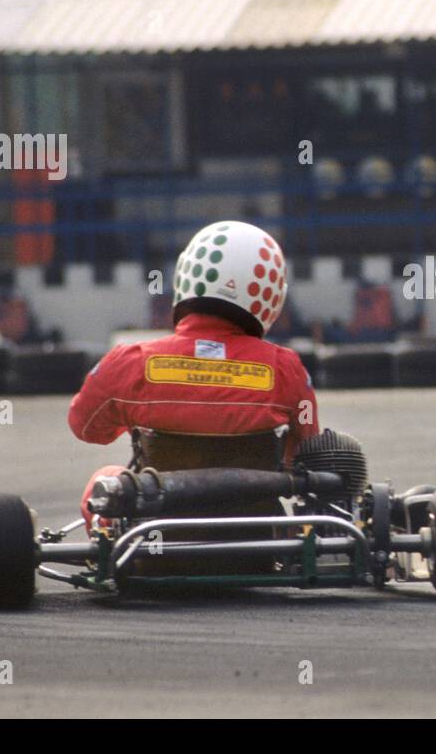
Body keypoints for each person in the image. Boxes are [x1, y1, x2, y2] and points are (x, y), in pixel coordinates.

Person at [69, 221, 318, 530]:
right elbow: (307, 459)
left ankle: (115, 552)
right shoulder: (286, 369)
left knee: (104, 478)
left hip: (155, 543)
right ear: (270, 295)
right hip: (254, 543)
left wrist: (151, 411)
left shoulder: (130, 362)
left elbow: (85, 427)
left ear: (187, 274)